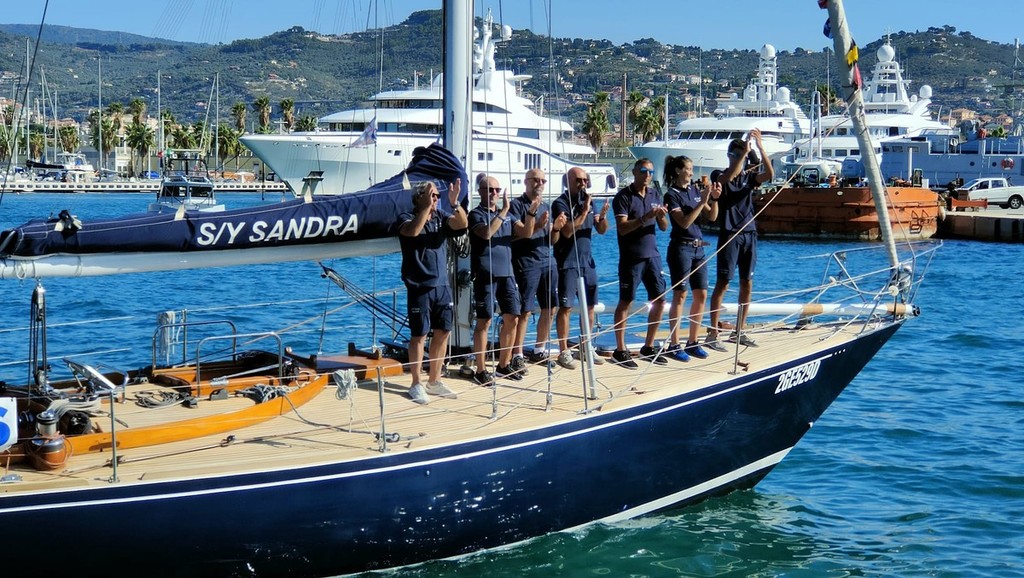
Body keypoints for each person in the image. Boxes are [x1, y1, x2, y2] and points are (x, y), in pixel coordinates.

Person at [397, 179, 468, 404]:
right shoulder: (405, 218)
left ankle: (434, 380)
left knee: (443, 331)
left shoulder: (441, 218)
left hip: (441, 286)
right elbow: (413, 231)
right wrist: (427, 206)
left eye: (437, 196)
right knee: (418, 335)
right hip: (419, 287)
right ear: (420, 198)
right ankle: (416, 383)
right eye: (432, 195)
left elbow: (462, 225)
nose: (436, 199)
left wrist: (455, 203)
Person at [705, 128, 774, 351]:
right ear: (730, 156)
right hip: (729, 234)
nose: (739, 159)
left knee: (747, 282)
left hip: (749, 233)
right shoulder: (719, 176)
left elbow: (769, 175)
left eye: (741, 155)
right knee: (723, 283)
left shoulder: (749, 179)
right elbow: (730, 175)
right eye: (735, 155)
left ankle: (739, 331)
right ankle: (713, 332)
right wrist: (743, 152)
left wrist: (761, 149)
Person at [610, 158, 669, 369]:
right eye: (643, 171)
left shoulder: (655, 195)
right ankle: (620, 349)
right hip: (631, 258)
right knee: (626, 301)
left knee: (660, 300)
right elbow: (622, 228)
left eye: (651, 172)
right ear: (635, 172)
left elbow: (663, 227)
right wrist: (645, 217)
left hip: (652, 256)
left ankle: (649, 346)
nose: (647, 175)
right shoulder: (623, 197)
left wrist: (661, 216)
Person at [662, 155, 720, 361]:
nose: (691, 172)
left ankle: (693, 341)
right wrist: (701, 202)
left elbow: (712, 217)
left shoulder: (695, 191)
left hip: (699, 249)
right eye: (688, 168)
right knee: (680, 295)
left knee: (701, 294)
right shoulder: (672, 195)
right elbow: (684, 223)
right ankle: (674, 343)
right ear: (678, 170)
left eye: (691, 168)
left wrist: (712, 199)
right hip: (681, 249)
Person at [551, 167, 609, 370]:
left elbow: (601, 230)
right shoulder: (560, 203)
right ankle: (564, 350)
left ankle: (586, 346)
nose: (583, 183)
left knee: (590, 306)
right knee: (565, 307)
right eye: (578, 180)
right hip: (567, 262)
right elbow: (566, 232)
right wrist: (584, 212)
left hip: (587, 262)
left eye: (585, 180)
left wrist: (601, 218)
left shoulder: (589, 201)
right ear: (568, 181)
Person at [468, 174, 522, 384]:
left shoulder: (505, 216)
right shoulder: (476, 215)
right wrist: (505, 211)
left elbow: (524, 233)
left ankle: (503, 364)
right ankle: (481, 370)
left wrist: (534, 213)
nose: (494, 194)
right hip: (485, 274)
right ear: (480, 192)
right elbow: (487, 233)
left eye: (497, 190)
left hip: (507, 273)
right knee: (485, 320)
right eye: (489, 190)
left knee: (513, 317)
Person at [509, 168, 555, 371]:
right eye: (535, 180)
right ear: (526, 182)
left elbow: (552, 239)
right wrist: (537, 225)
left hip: (547, 261)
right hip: (527, 263)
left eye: (543, 180)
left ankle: (539, 350)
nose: (539, 183)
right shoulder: (516, 205)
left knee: (550, 308)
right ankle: (517, 353)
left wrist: (557, 228)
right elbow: (518, 234)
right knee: (524, 311)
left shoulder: (546, 206)